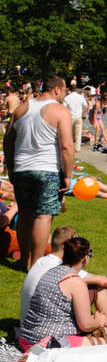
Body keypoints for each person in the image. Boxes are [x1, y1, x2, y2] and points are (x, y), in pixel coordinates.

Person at [3, 74, 73, 270]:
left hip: (22, 169)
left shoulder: (22, 108)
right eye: (65, 90)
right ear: (57, 89)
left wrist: (10, 167)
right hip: (47, 169)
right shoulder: (60, 111)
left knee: (25, 214)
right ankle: (36, 266)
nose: (64, 94)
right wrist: (67, 175)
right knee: (43, 216)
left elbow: (8, 140)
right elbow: (66, 146)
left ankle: (23, 259)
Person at [19, 236, 107, 351]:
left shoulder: (51, 272)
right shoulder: (76, 281)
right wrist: (99, 320)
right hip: (48, 344)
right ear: (85, 258)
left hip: (26, 339)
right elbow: (86, 325)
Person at [64, 81, 87, 154]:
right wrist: (83, 113)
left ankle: (69, 147)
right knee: (78, 134)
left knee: (69, 134)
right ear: (76, 89)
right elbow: (86, 106)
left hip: (70, 117)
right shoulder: (81, 97)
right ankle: (77, 149)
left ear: (69, 90)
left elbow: (64, 108)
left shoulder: (67, 98)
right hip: (78, 116)